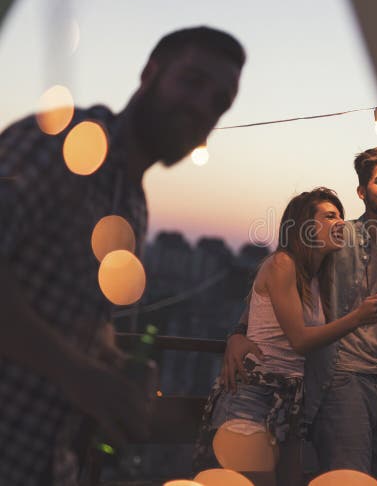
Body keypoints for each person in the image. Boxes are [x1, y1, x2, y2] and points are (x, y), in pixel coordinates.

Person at [0, 26, 244, 485]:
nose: (202, 107)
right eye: (192, 81)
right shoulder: (60, 142)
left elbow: (71, 316)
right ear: (150, 73)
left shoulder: (132, 203)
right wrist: (77, 374)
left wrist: (112, 360)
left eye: (219, 102)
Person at [224, 146, 377, 484]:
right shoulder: (337, 238)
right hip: (342, 382)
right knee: (349, 479)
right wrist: (238, 334)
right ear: (361, 191)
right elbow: (281, 288)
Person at [194, 188, 377, 486]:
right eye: (330, 216)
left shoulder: (317, 277)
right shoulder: (282, 264)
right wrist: (358, 318)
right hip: (254, 395)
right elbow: (299, 340)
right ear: (306, 227)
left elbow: (253, 319)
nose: (341, 222)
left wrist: (236, 334)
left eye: (341, 216)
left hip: (290, 398)